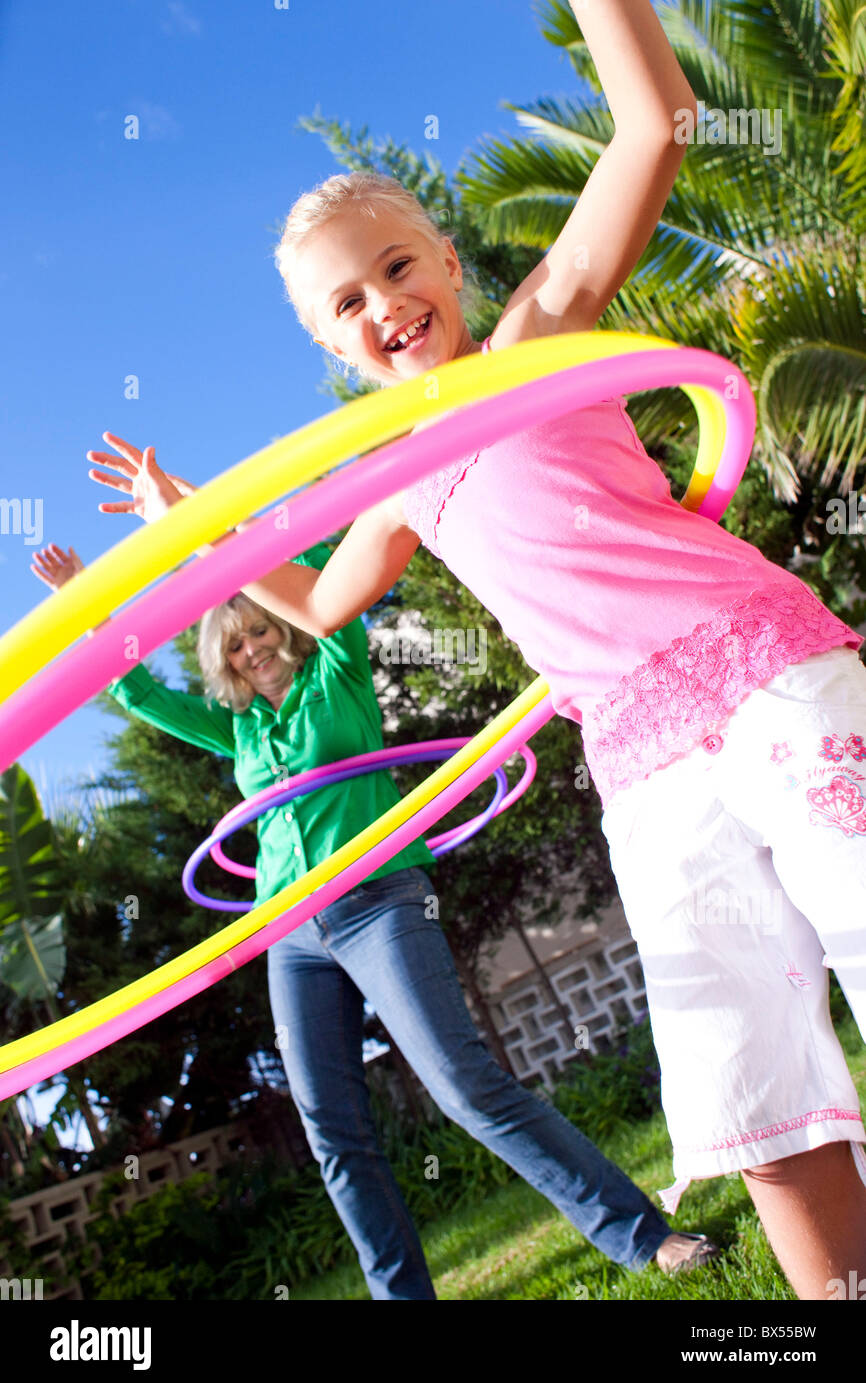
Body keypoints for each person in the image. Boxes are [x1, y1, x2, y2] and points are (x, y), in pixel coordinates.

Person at [84, 0, 866, 1299]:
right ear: (326, 342)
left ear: (447, 261)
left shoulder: (533, 337)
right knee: (749, 1085)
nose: (384, 304)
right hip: (641, 766)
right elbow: (319, 603)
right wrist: (188, 522)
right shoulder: (395, 480)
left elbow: (654, 128)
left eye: (398, 265)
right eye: (347, 301)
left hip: (761, 674)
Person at [32, 540, 715, 1300]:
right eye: (235, 644)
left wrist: (236, 535)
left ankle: (640, 1235)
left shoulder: (337, 671)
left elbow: (331, 576)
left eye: (260, 628)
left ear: (284, 626)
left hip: (380, 902)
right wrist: (86, 602)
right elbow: (138, 693)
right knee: (331, 1130)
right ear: (224, 663)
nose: (253, 648)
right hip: (290, 934)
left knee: (462, 1083)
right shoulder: (239, 729)